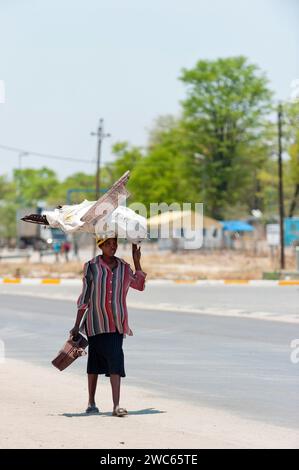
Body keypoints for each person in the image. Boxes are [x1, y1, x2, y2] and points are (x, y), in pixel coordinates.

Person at [70, 236, 147, 417]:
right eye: (109, 244)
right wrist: (76, 325)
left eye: (115, 243)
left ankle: (116, 405)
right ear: (101, 245)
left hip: (116, 323)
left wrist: (137, 262)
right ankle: (91, 402)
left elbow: (140, 285)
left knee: (116, 360)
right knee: (94, 362)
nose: (113, 247)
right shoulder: (91, 266)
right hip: (95, 322)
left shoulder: (124, 267)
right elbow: (85, 297)